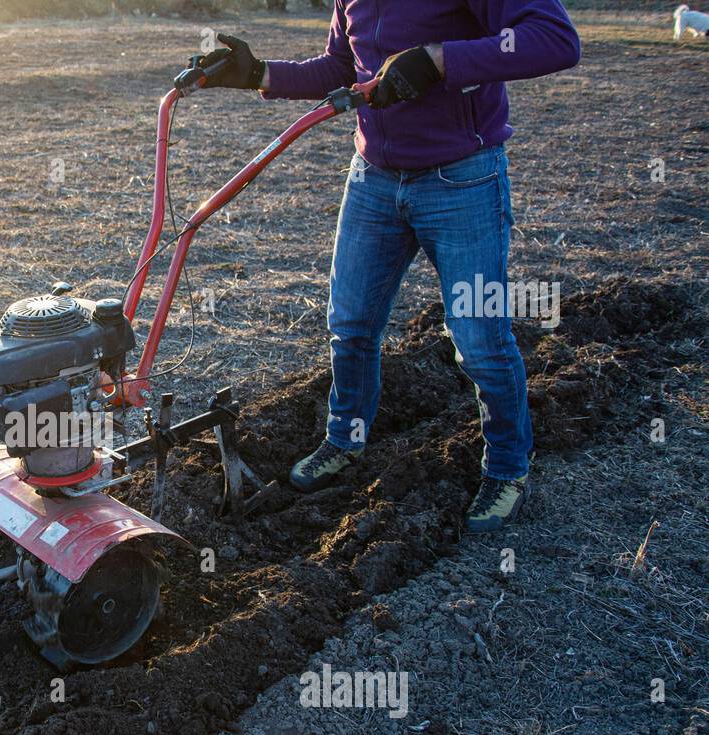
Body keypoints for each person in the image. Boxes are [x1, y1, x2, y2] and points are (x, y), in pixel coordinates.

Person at [199, 2, 581, 532]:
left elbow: (556, 39)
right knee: (351, 324)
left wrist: (441, 59)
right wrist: (261, 73)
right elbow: (342, 67)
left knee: (479, 341)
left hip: (462, 180)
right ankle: (345, 439)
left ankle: (509, 468)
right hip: (374, 181)